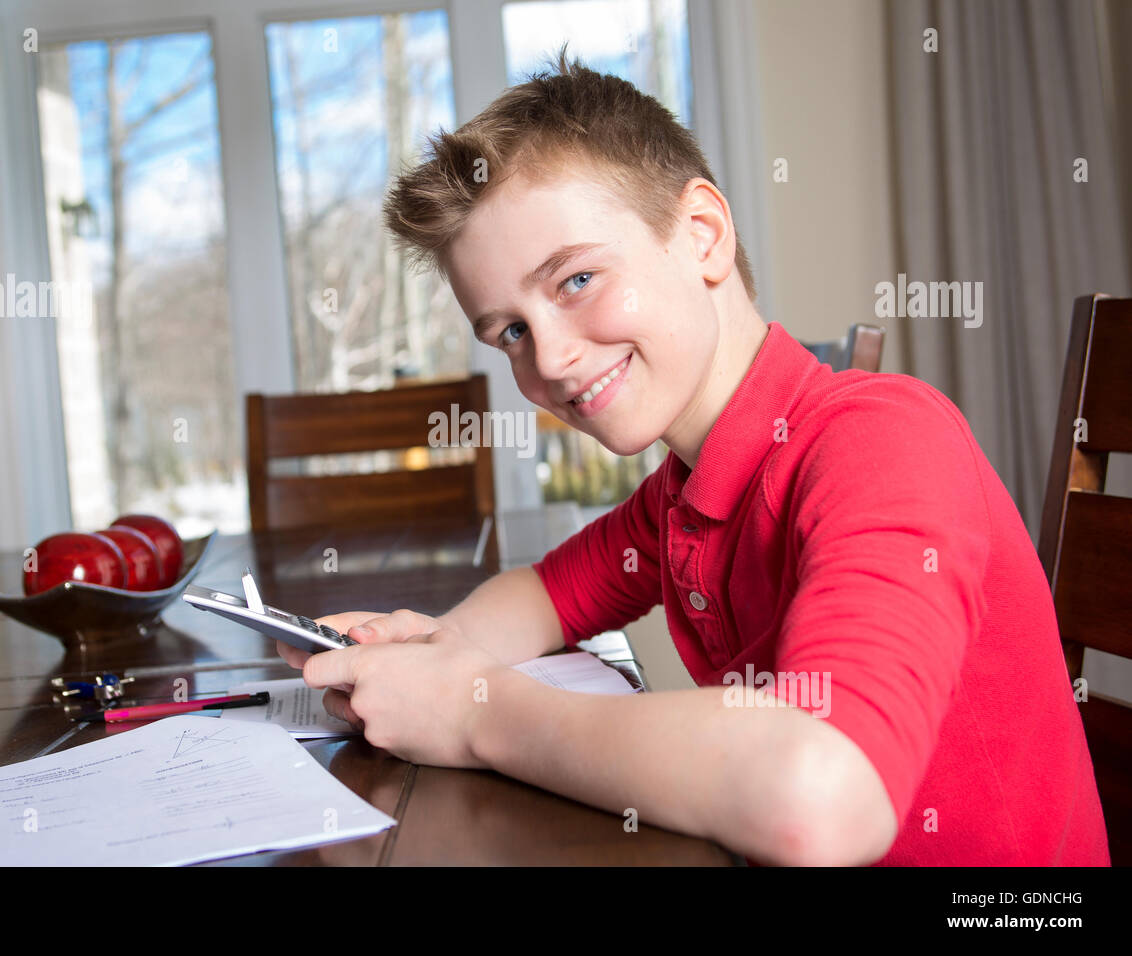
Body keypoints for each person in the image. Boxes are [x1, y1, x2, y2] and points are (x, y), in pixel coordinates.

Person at [274, 51, 1109, 866]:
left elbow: (822, 793)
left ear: (701, 236)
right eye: (513, 332)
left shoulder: (884, 438)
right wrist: (427, 651)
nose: (553, 360)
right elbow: (548, 595)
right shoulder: (684, 492)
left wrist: (475, 714)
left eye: (575, 282)